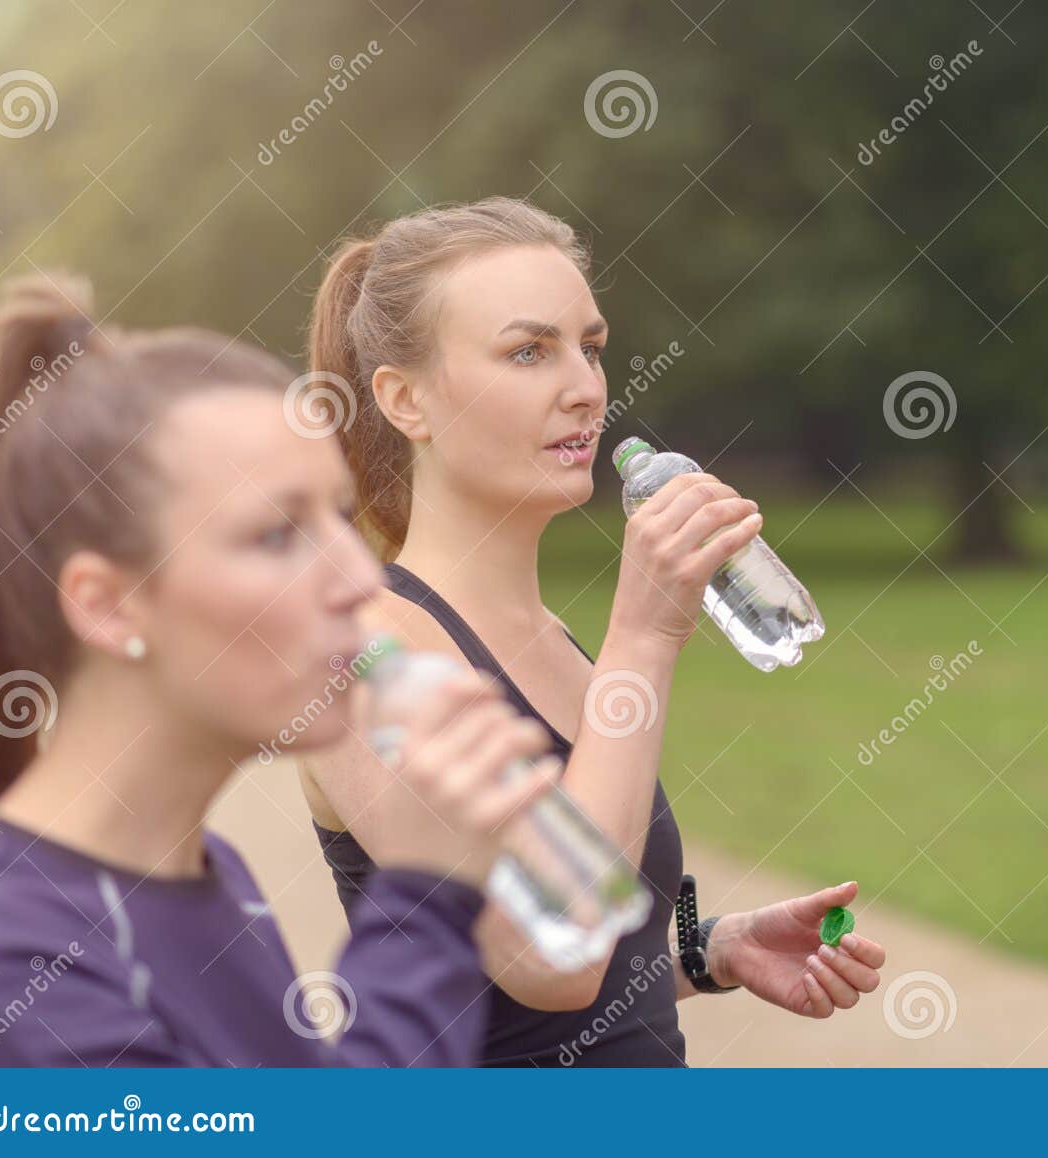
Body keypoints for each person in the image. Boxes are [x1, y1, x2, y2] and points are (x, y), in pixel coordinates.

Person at [300, 196, 886, 1066]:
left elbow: (564, 986)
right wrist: (645, 640)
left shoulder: (552, 639)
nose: (585, 388)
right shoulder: (363, 655)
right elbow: (548, 959)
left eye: (592, 346)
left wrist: (708, 950)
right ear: (405, 400)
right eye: (529, 351)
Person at [0, 274, 559, 1066]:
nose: (358, 579)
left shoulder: (208, 875)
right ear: (108, 605)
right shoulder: (5, 955)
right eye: (277, 535)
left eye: (341, 518)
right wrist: (426, 894)